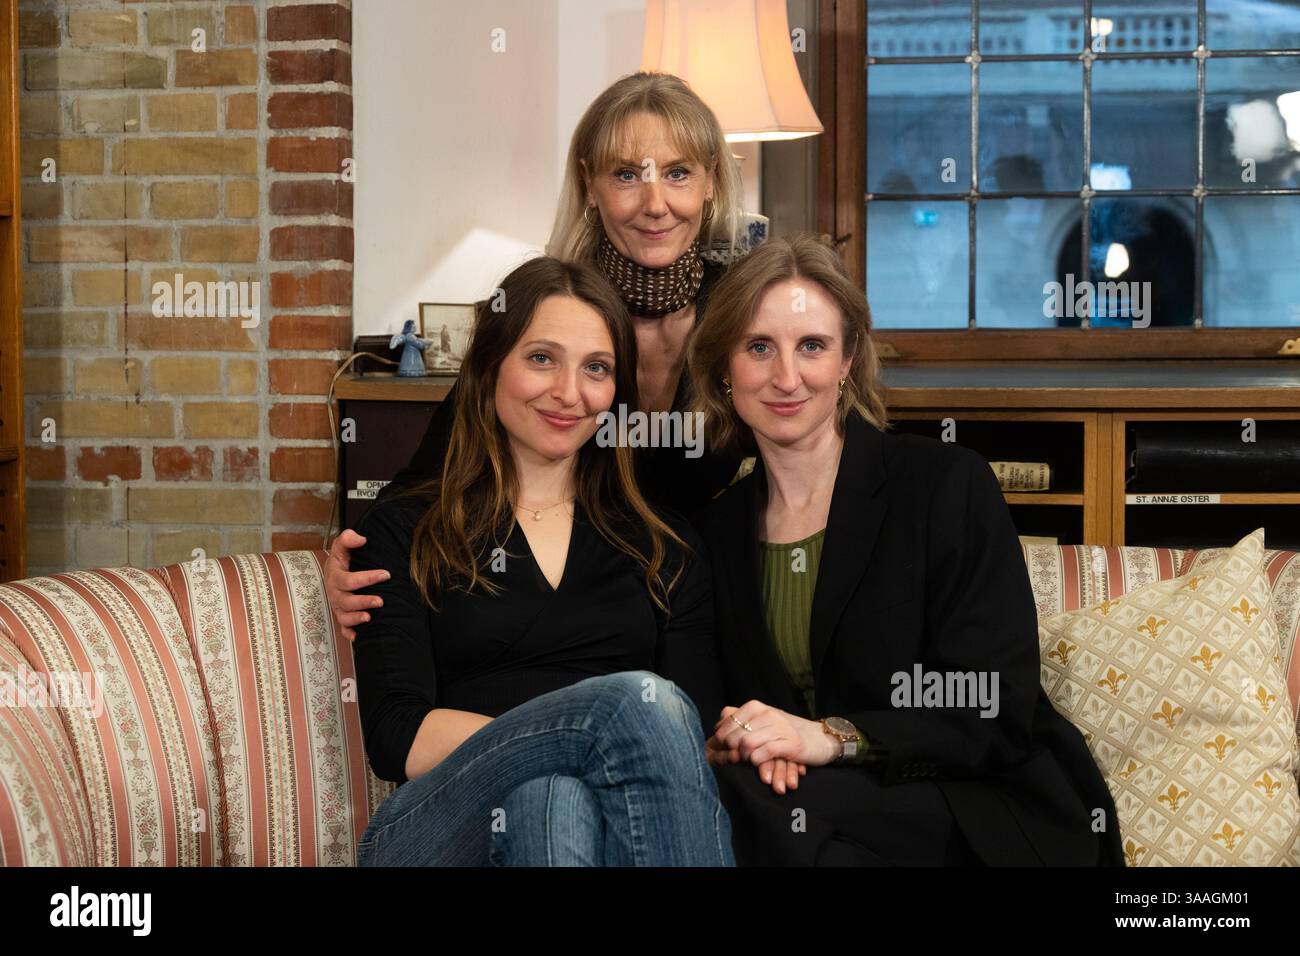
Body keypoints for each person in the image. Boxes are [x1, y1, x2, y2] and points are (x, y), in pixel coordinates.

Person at [688, 233, 1126, 867]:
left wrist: (832, 738)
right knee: (744, 801)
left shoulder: (944, 485)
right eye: (759, 347)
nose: (786, 376)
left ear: (847, 361)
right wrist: (745, 737)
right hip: (812, 820)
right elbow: (715, 714)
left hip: (974, 806)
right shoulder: (715, 531)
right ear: (725, 367)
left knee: (756, 809)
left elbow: (990, 703)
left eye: (812, 346)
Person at [330, 71, 750, 642]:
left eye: (677, 174)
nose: (656, 205)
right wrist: (353, 561)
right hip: (568, 608)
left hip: (705, 605)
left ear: (710, 183)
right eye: (627, 175)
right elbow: (431, 477)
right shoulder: (547, 309)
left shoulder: (743, 318)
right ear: (590, 183)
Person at [351, 255, 732, 866]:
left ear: (617, 394)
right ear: (491, 363)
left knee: (552, 803)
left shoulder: (665, 546)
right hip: (429, 833)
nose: (568, 393)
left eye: (597, 369)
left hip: (600, 833)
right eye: (541, 358)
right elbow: (397, 736)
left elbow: (695, 738)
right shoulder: (404, 529)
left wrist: (571, 766)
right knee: (638, 705)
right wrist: (585, 738)